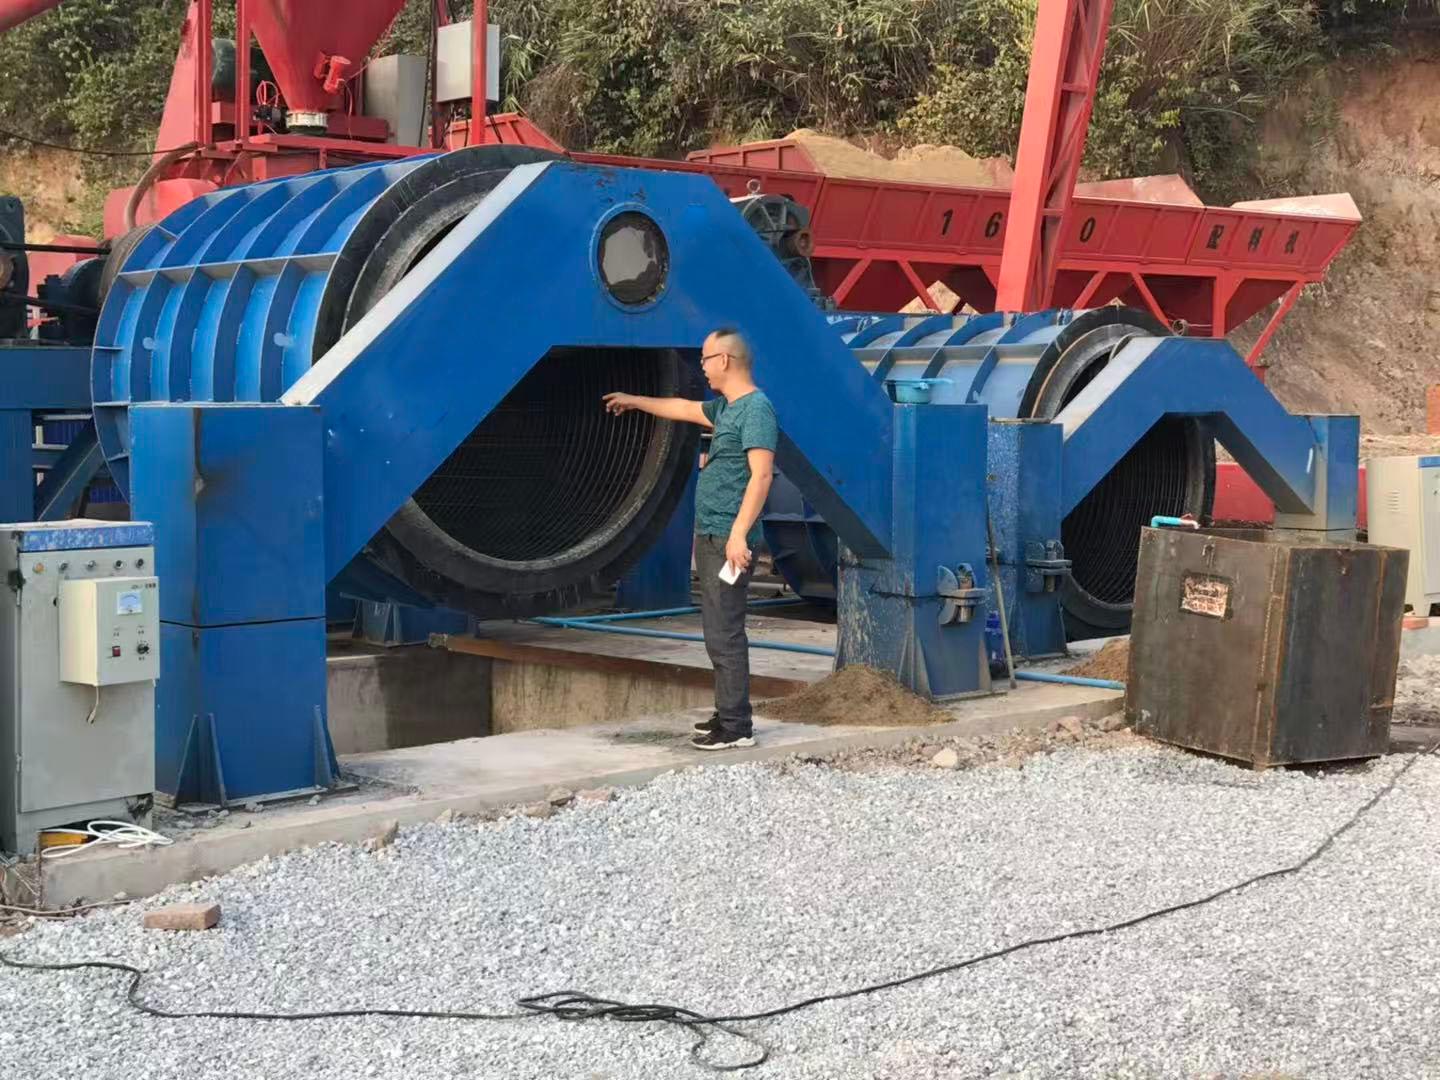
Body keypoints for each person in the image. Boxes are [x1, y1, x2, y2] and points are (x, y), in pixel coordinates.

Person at [603, 328, 778, 750]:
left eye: (705, 359)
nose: (702, 367)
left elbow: (761, 476)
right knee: (716, 631)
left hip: (728, 540)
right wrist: (634, 400)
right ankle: (727, 710)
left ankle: (736, 727)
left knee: (725, 632)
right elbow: (681, 408)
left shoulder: (756, 410)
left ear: (725, 361)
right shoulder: (727, 408)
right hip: (713, 534)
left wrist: (738, 535)